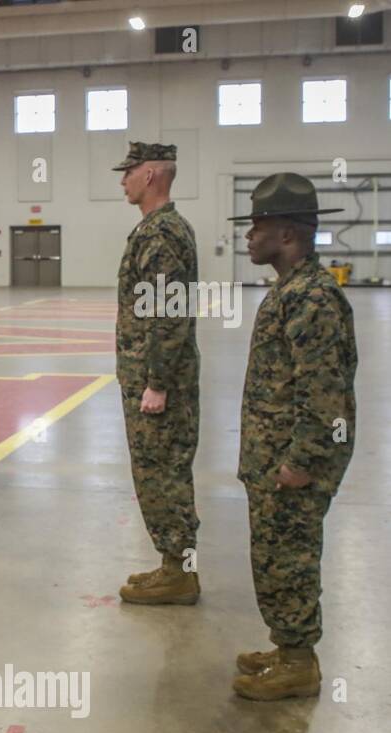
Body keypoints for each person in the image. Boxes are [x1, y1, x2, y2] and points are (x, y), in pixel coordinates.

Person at [229, 173, 357, 701]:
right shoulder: (291, 290)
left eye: (257, 226)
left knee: (292, 555)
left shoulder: (311, 298)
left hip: (293, 460)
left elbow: (323, 391)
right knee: (274, 553)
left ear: (287, 234)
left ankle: (299, 662)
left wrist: (301, 460)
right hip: (273, 453)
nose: (248, 236)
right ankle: (287, 646)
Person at [113, 142, 201, 605]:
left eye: (127, 172)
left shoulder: (161, 233)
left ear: (149, 175)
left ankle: (179, 571)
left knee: (162, 472)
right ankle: (173, 564)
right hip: (155, 376)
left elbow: (167, 315)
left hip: (159, 382)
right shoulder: (158, 228)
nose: (122, 180)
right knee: (160, 471)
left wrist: (157, 384)